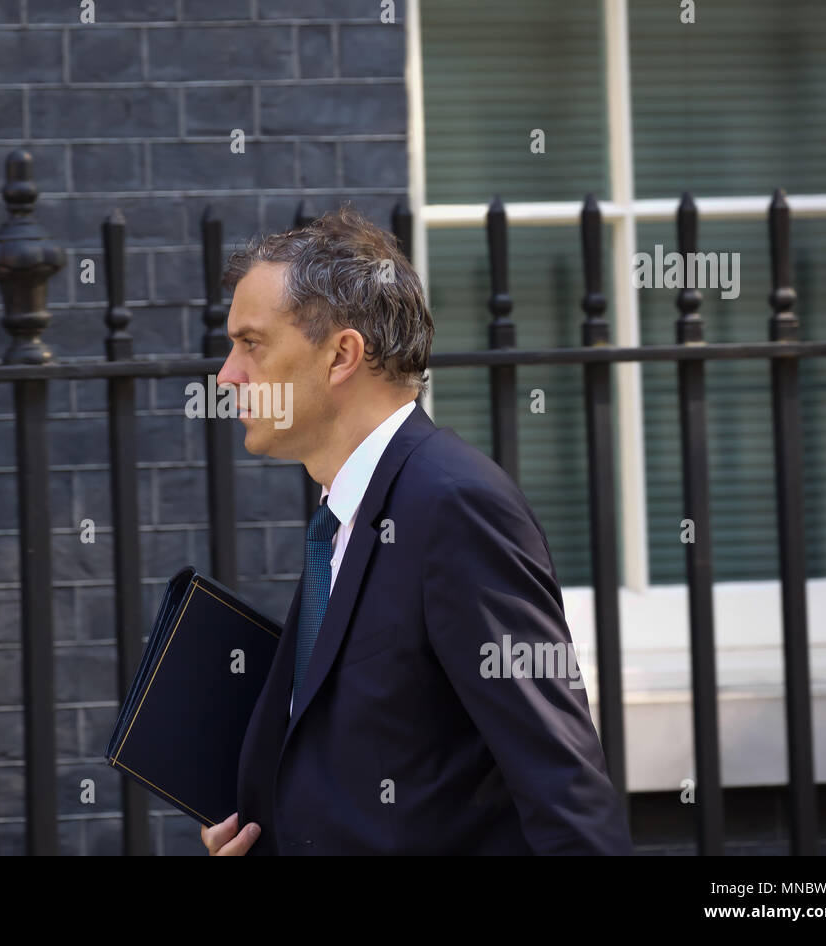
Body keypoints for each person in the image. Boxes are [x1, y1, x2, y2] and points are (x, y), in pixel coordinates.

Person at [198, 206, 633, 855]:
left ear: (341, 354)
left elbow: (563, 790)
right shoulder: (343, 513)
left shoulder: (456, 506)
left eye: (251, 344)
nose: (227, 375)